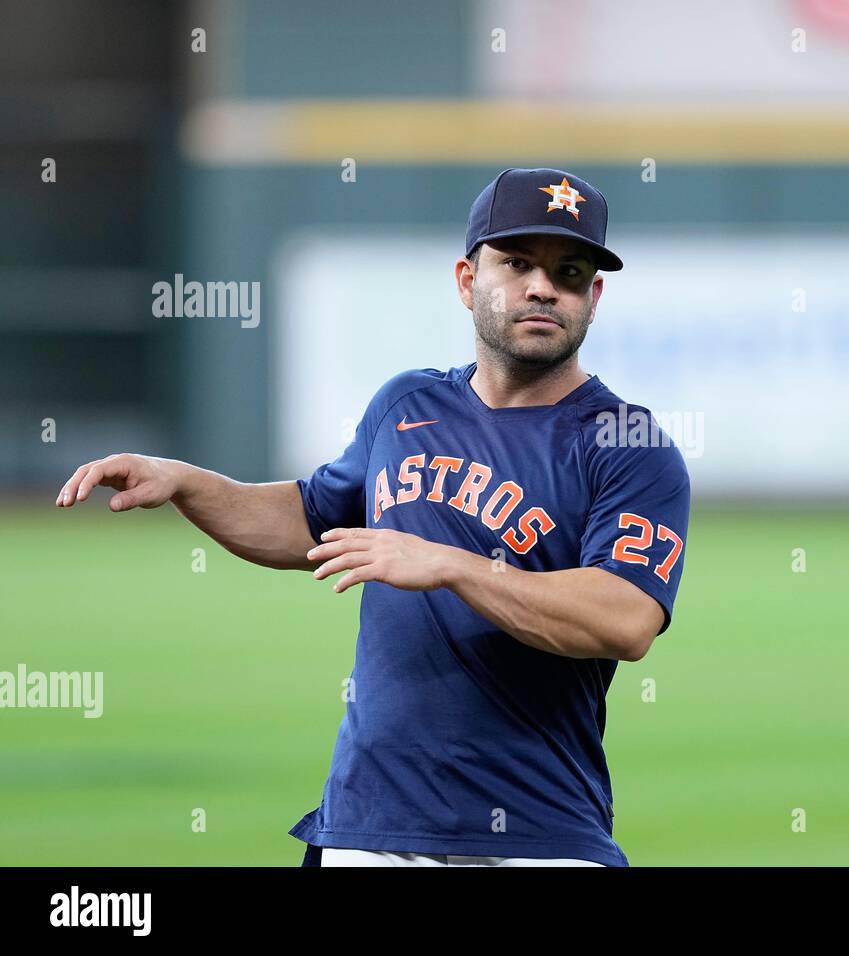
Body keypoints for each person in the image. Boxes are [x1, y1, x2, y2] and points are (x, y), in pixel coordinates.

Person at [56, 167, 691, 867]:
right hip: (370, 829)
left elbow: (626, 619)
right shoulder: (406, 406)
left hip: (543, 831)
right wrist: (187, 483)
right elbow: (306, 520)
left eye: (569, 272)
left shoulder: (627, 445)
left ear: (592, 297)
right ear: (465, 280)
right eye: (516, 264)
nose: (543, 286)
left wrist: (453, 566)